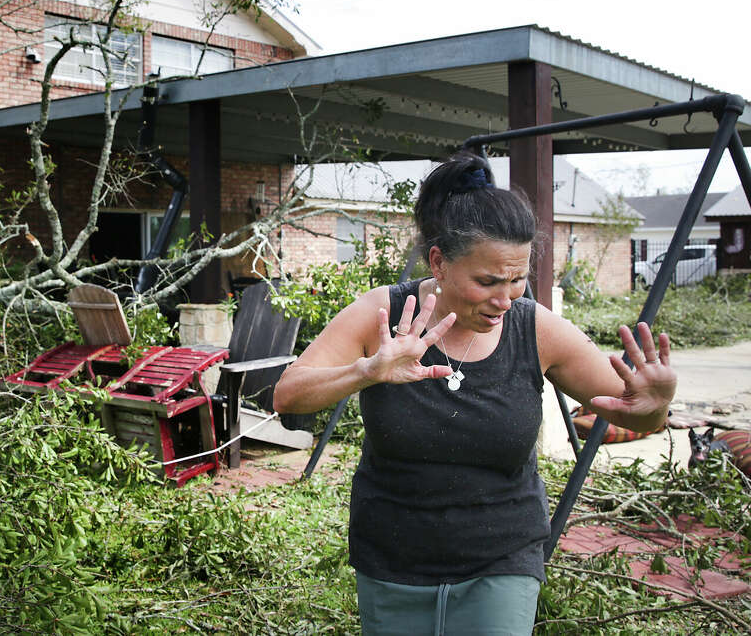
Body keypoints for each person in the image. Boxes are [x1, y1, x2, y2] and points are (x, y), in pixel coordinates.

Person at [273, 153, 676, 635]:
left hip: (503, 558)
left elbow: (637, 416)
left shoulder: (536, 329)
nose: (505, 299)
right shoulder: (381, 314)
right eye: (486, 281)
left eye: (517, 279)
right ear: (439, 262)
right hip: (393, 557)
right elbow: (287, 396)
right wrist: (365, 371)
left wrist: (656, 408)